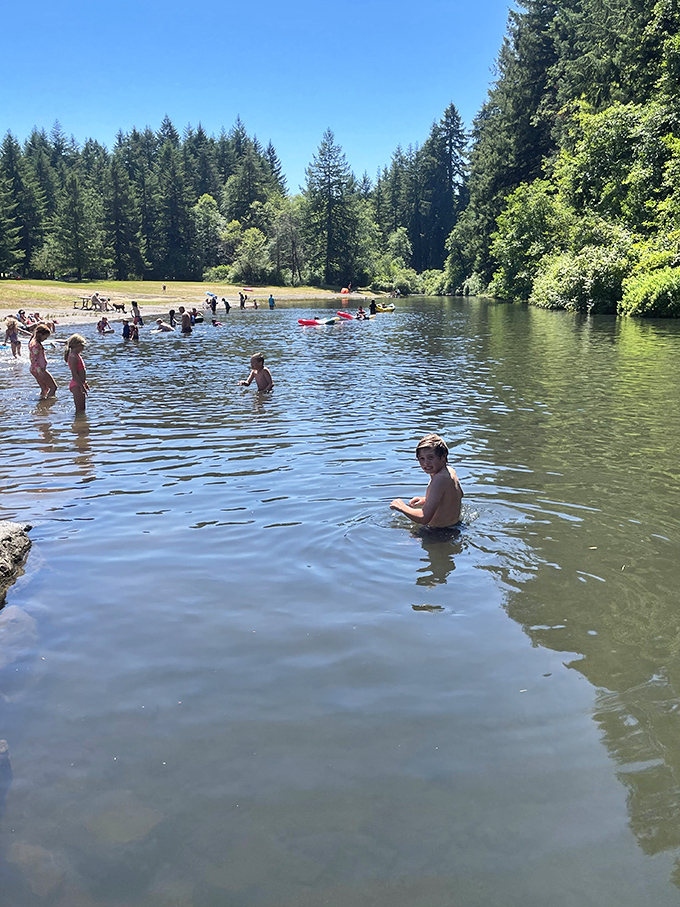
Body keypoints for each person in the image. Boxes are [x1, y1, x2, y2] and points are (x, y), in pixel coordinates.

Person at [390, 433, 463, 529]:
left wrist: (401, 506)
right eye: (422, 458)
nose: (426, 463)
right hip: (455, 527)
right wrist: (427, 500)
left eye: (431, 457)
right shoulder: (450, 472)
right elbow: (458, 495)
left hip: (438, 533)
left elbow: (423, 517)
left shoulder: (439, 479)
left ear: (443, 457)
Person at [29, 325, 57, 398]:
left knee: (45, 389)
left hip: (33, 369)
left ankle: (42, 406)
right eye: (45, 337)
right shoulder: (36, 345)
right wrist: (39, 370)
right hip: (39, 369)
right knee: (53, 387)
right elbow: (34, 358)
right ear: (40, 335)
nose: (45, 339)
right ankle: (49, 404)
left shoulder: (32, 341)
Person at [64, 334, 88, 413]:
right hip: (77, 384)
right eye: (82, 346)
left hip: (80, 384)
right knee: (79, 410)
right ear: (77, 345)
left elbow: (81, 371)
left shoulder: (77, 355)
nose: (83, 348)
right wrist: (81, 386)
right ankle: (76, 423)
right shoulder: (73, 357)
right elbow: (74, 374)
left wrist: (84, 383)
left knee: (82, 409)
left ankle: (81, 424)